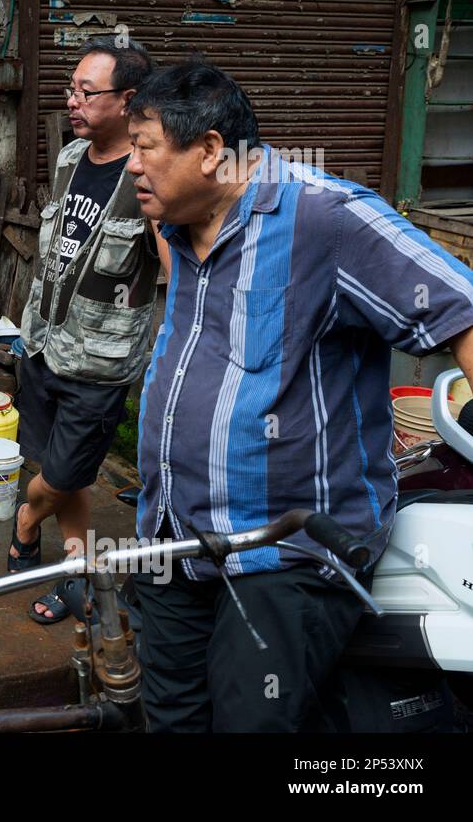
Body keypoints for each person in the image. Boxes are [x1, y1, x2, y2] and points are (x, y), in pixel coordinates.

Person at [126, 59, 473, 731]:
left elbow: (462, 307)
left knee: (248, 724)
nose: (132, 166)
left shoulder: (327, 219)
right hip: (173, 534)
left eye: (146, 149)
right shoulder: (182, 218)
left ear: (209, 152)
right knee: (170, 717)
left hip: (284, 550)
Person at [13, 36, 163, 622]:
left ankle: (25, 522)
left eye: (86, 91)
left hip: (100, 362)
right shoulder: (71, 159)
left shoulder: (149, 174)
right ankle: (74, 574)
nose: (71, 100)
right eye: (71, 89)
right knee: (62, 478)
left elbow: (172, 267)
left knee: (61, 475)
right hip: (44, 343)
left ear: (127, 100)